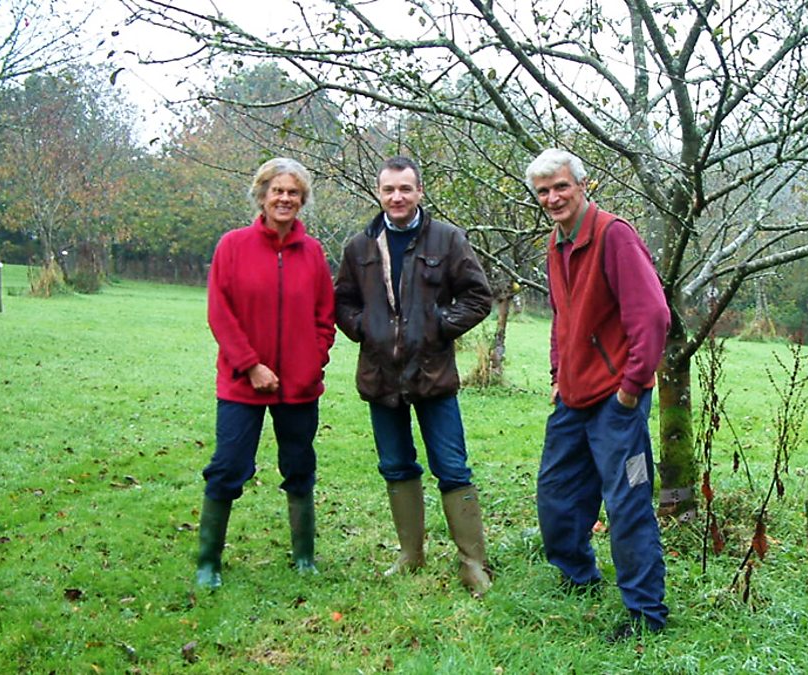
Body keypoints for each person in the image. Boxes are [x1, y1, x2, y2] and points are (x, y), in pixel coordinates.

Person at [526, 148, 672, 641]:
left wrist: (631, 389)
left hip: (617, 401)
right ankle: (577, 576)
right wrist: (556, 373)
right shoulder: (557, 242)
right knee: (557, 494)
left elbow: (652, 317)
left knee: (627, 502)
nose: (553, 198)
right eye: (544, 191)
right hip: (572, 395)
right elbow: (563, 319)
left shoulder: (614, 236)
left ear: (582, 185)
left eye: (561, 187)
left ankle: (645, 614)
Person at [334, 156, 495, 596]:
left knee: (452, 467)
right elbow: (342, 301)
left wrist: (439, 326)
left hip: (432, 375)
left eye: (405, 189)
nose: (397, 197)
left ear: (420, 191)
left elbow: (478, 296)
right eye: (389, 189)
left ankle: (472, 562)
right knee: (395, 465)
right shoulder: (360, 247)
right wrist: (366, 328)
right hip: (381, 377)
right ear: (379, 193)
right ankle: (411, 555)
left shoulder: (447, 239)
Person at [196, 157, 336, 589]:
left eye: (293, 193)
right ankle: (208, 563)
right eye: (277, 191)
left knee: (299, 465)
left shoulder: (312, 253)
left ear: (302, 200)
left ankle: (304, 556)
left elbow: (323, 318)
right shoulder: (233, 246)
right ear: (261, 195)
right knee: (228, 464)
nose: (285, 199)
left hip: (300, 388)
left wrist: (312, 363)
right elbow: (220, 313)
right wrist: (251, 365)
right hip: (242, 384)